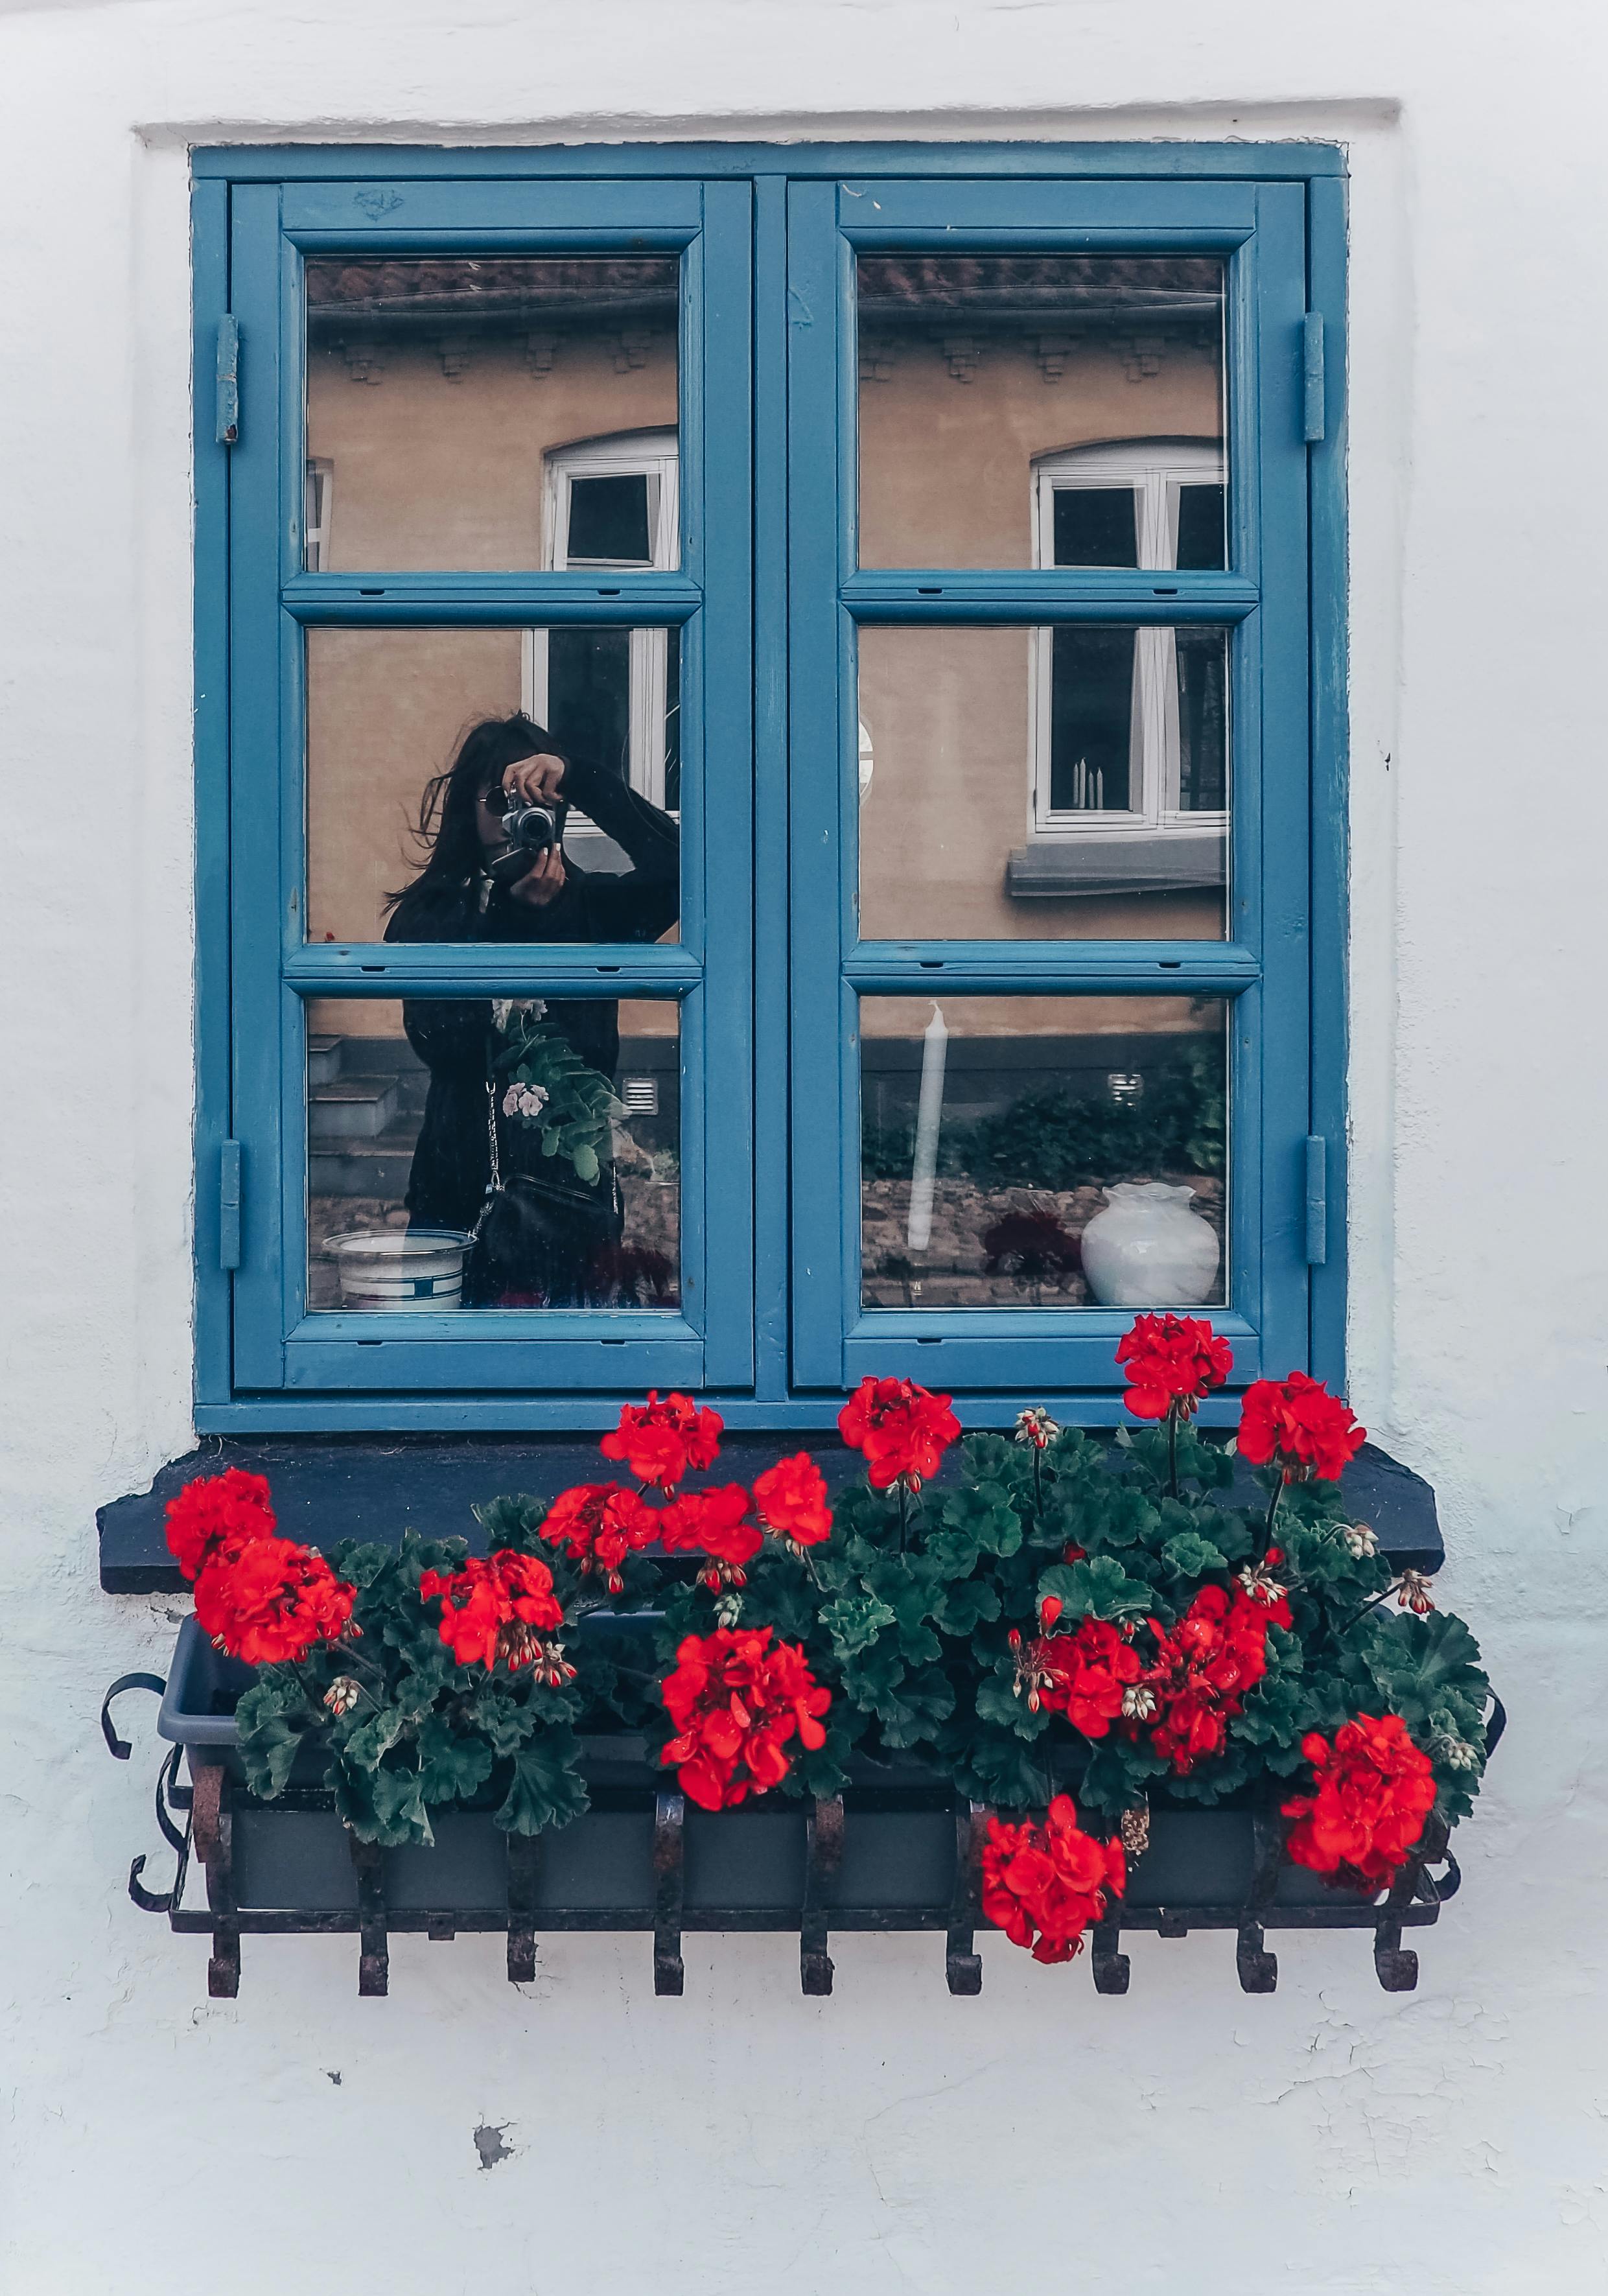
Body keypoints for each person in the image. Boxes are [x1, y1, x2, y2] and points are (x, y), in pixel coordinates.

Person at [385, 714, 679, 1306]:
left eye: (533, 798)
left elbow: (692, 874)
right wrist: (510, 919)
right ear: (467, 807)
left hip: (572, 1199)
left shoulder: (593, 906)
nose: (513, 813)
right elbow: (442, 1042)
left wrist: (584, 779)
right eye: (499, 798)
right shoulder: (432, 913)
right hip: (460, 1193)